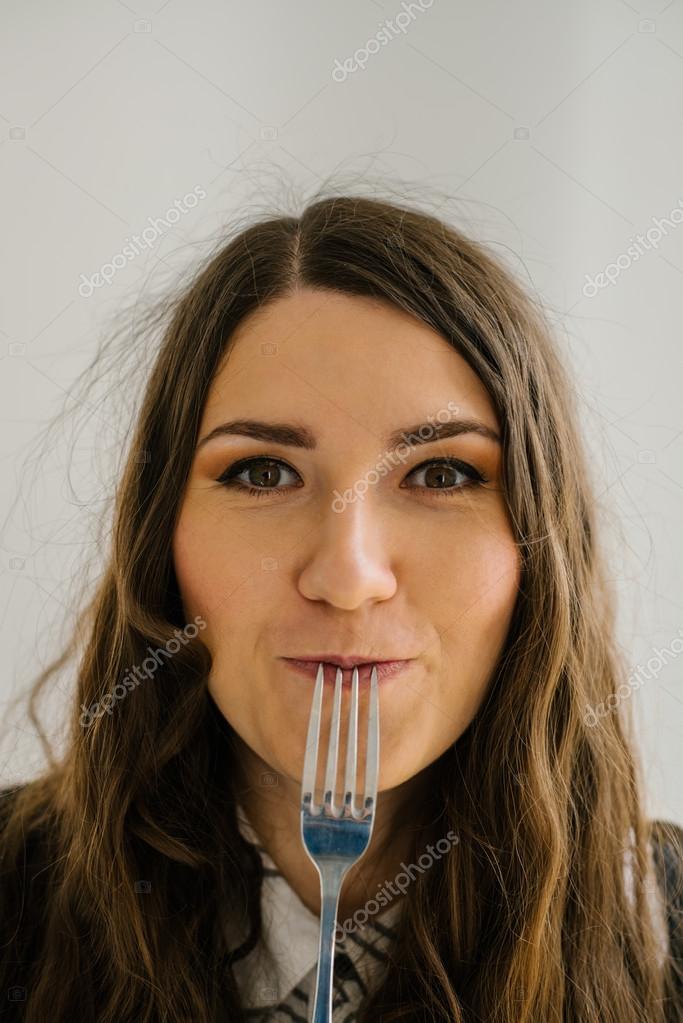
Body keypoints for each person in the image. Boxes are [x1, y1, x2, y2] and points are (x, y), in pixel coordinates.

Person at [0, 193, 681, 1022]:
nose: (348, 576)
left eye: (440, 474)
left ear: (538, 544)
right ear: (160, 533)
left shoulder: (666, 929)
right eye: (262, 473)